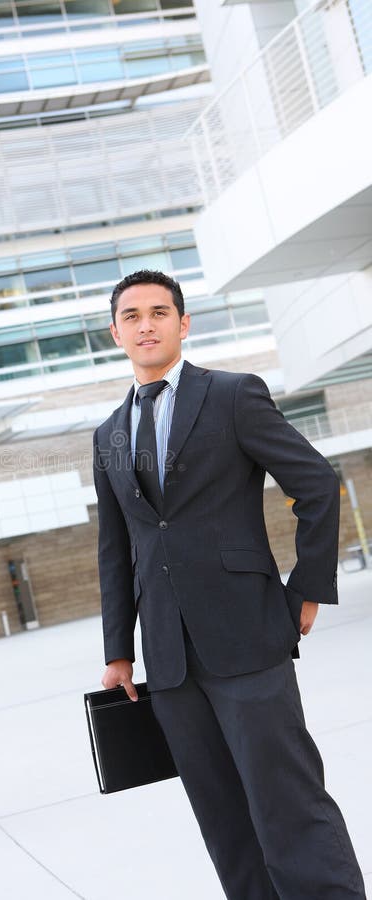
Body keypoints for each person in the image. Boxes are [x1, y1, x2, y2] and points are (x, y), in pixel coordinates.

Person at [93, 270, 366, 899]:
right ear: (116, 333)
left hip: (247, 635)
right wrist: (118, 651)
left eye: (160, 312)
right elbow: (117, 548)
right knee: (223, 819)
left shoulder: (233, 396)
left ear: (183, 325)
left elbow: (317, 485)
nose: (147, 325)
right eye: (132, 316)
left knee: (287, 802)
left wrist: (306, 589)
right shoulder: (107, 435)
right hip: (168, 660)